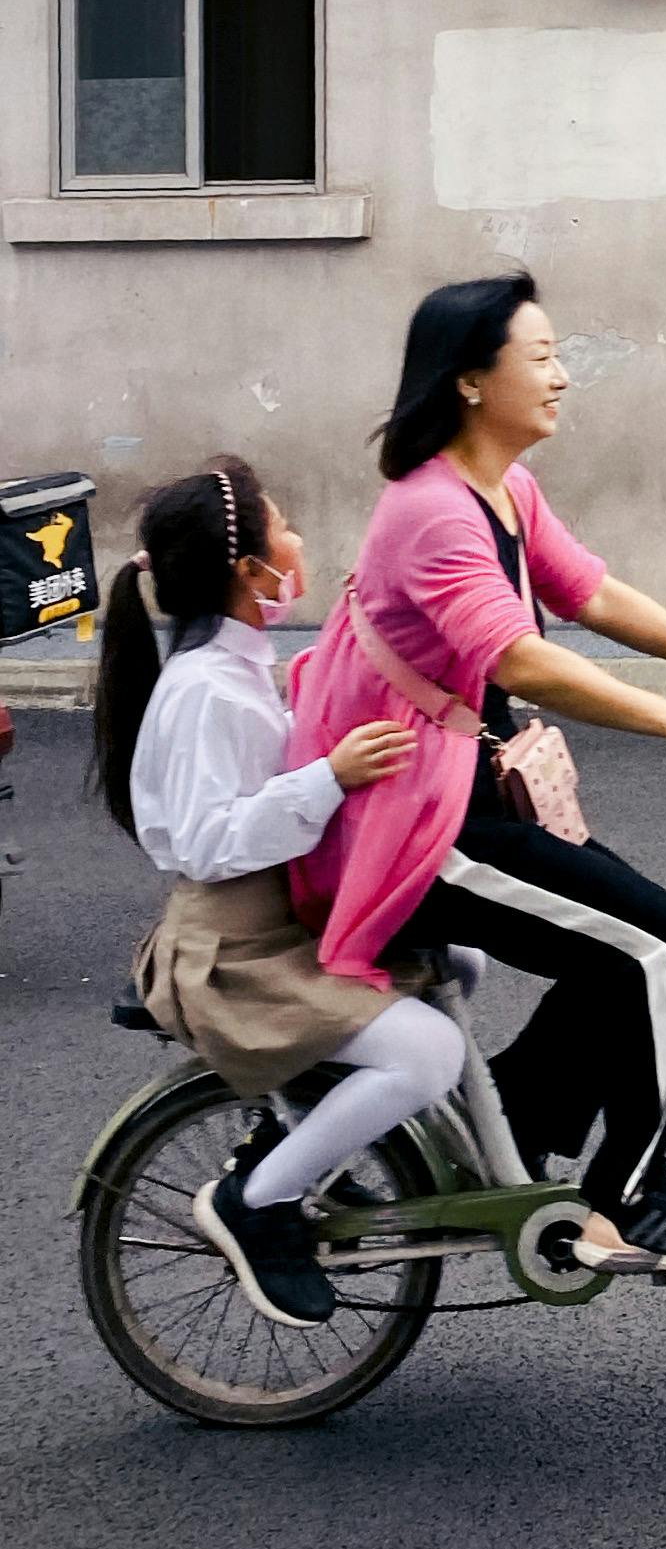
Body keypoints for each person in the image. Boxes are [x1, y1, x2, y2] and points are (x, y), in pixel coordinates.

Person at [288, 274, 666, 1281]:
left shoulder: (503, 488)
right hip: (416, 823)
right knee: (651, 944)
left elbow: (589, 589)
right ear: (472, 380)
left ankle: (515, 1118)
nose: (563, 376)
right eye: (543, 357)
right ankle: (627, 1200)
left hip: (460, 790)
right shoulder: (430, 510)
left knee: (626, 933)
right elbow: (519, 658)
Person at [93, 454, 466, 1332]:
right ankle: (256, 1202)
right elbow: (210, 838)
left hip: (274, 919)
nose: (297, 540)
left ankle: (299, 1134)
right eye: (283, 527)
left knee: (463, 959)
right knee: (427, 1056)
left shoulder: (235, 662)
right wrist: (327, 779)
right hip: (235, 947)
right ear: (247, 571)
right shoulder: (204, 691)